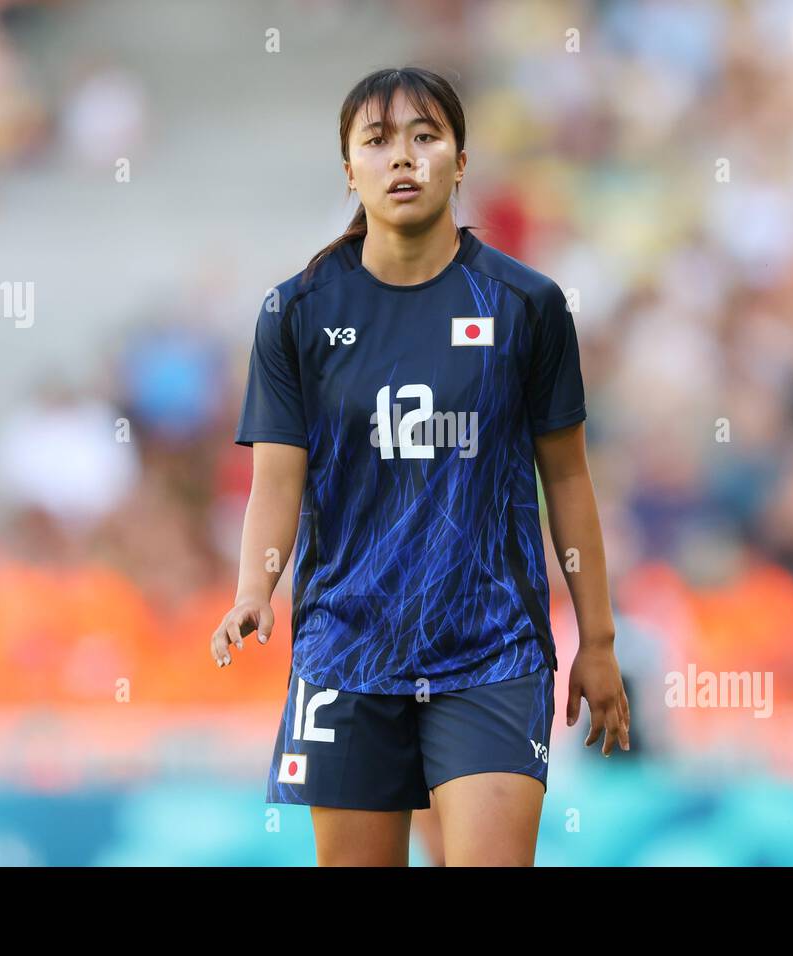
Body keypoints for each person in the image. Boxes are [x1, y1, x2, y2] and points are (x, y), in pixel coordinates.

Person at [214, 66, 628, 866]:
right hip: (346, 651)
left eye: (425, 136)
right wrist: (253, 590)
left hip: (492, 653)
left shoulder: (526, 306)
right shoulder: (295, 313)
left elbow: (568, 478)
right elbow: (277, 479)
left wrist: (599, 639)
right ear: (349, 170)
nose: (402, 157)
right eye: (378, 141)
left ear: (461, 161)